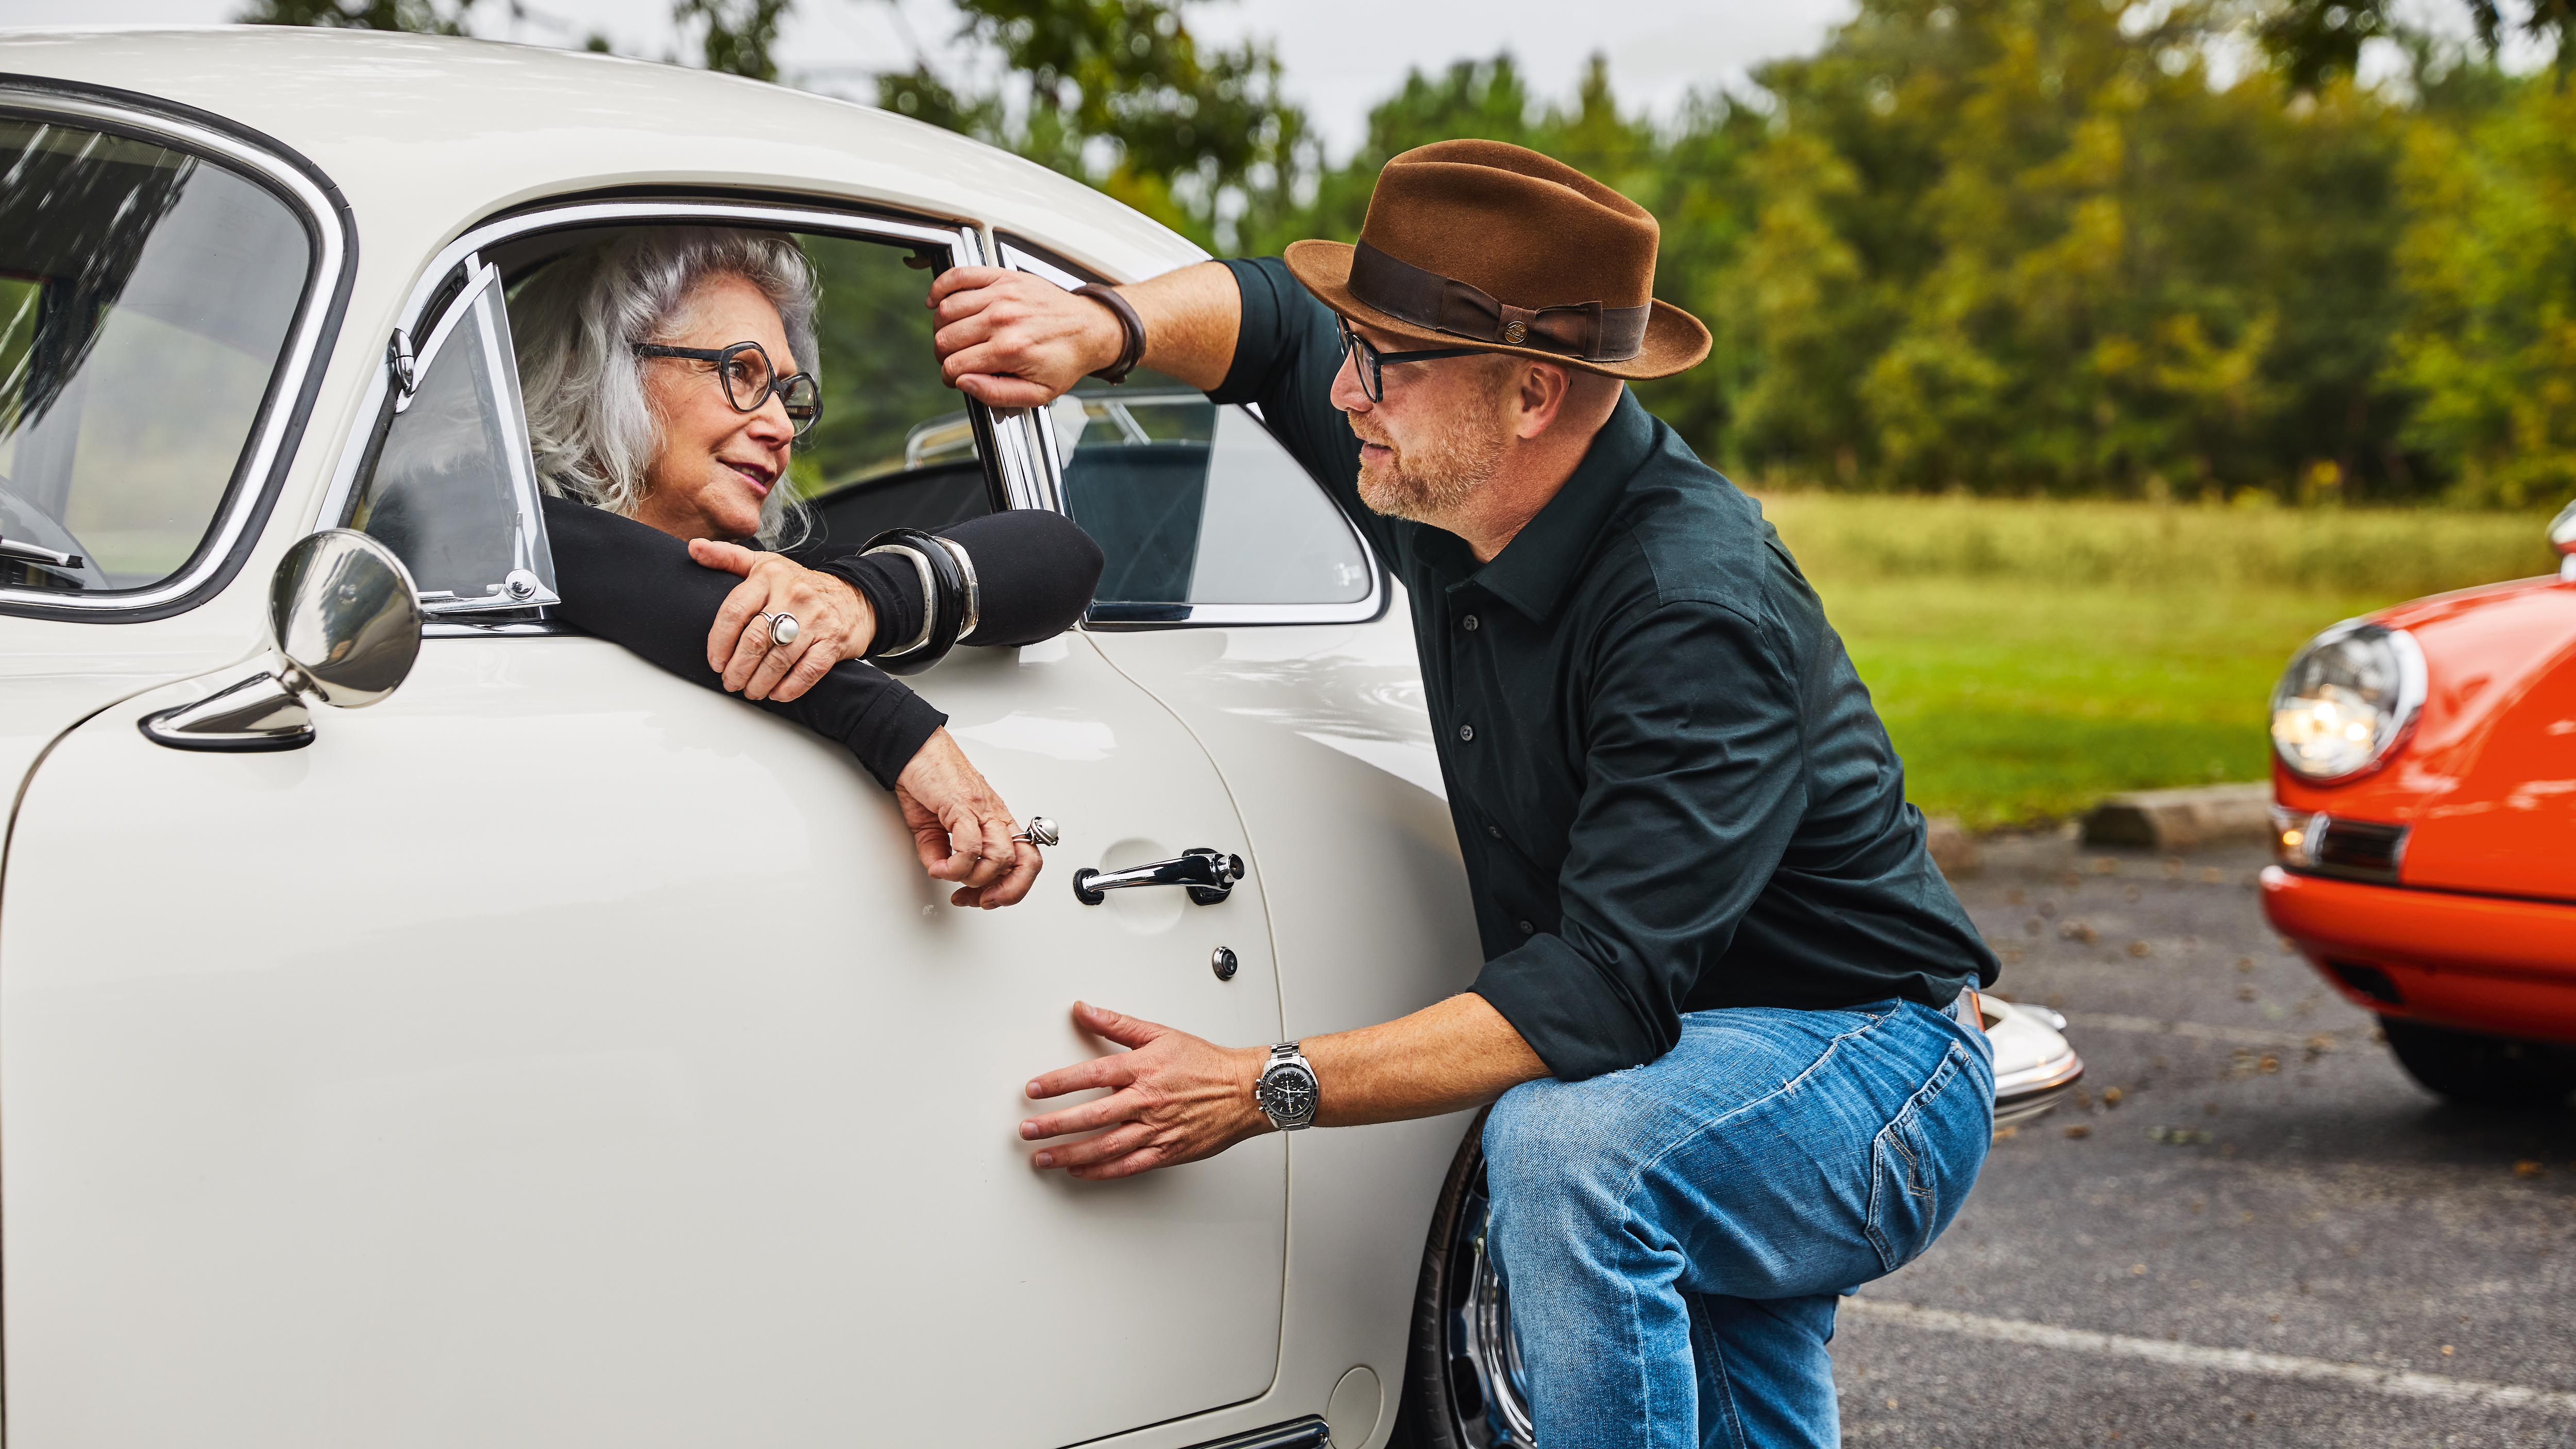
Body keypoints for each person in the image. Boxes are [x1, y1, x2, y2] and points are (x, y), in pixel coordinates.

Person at [933, 142, 1999, 1445]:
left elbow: (1597, 993)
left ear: (1533, 395)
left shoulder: (1688, 607)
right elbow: (1272, 325)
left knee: (1569, 1154)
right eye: (1360, 347)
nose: (1344, 392)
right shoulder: (1454, 465)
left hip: (1862, 1063)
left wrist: (1257, 1086)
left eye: (1382, 363)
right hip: (1697, 1049)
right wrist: (1101, 327)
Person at [510, 228, 1100, 907]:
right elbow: (577, 553)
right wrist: (891, 725)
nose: (782, 428)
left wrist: (860, 602)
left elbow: (1065, 555)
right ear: (604, 366)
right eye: (741, 373)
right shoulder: (510, 547)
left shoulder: (790, 584)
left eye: (787, 396)